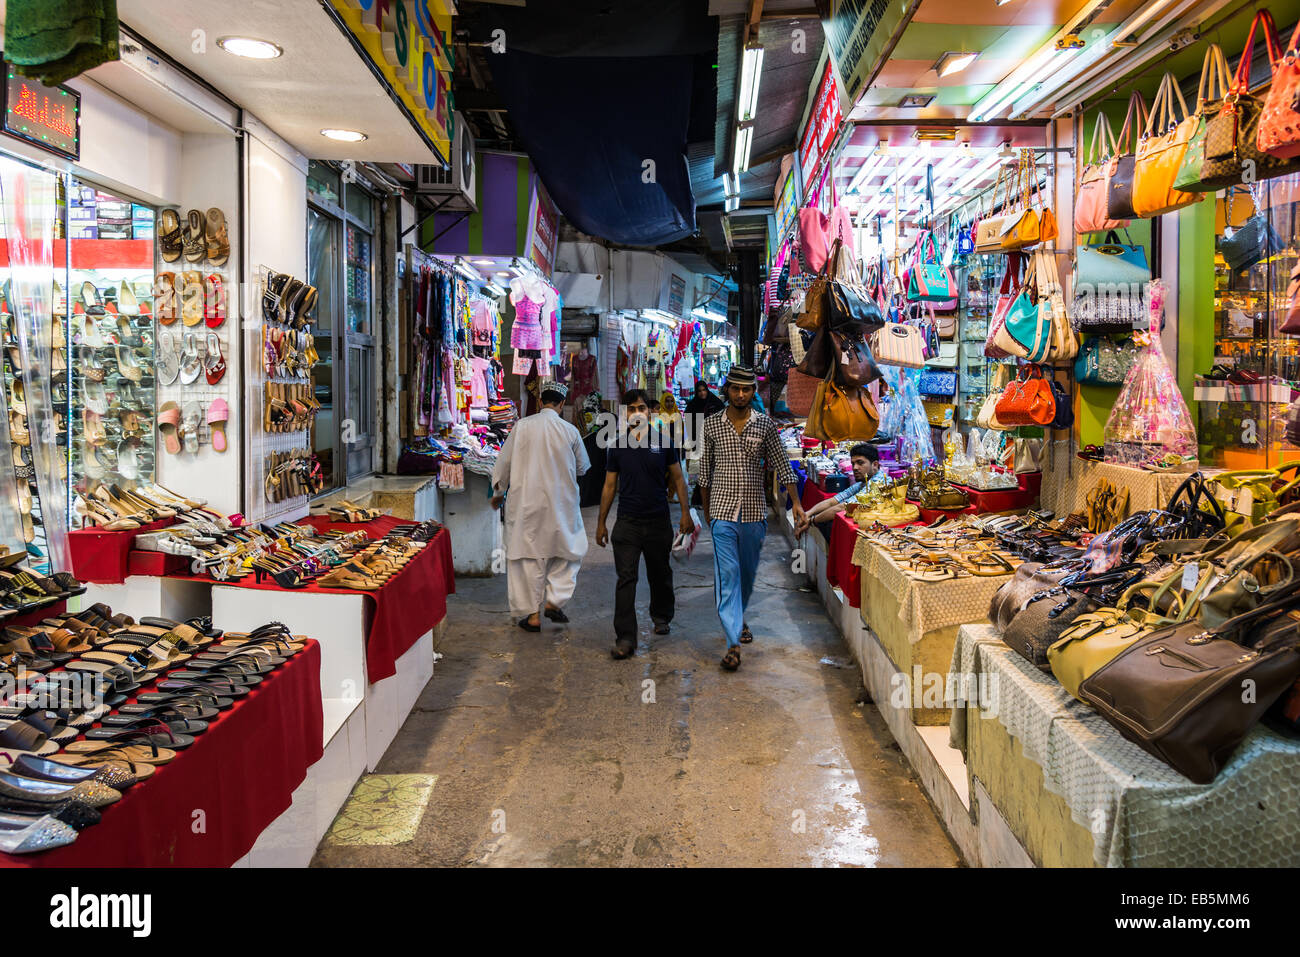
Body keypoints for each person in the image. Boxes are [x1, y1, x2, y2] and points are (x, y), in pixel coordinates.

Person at [699, 365, 805, 672]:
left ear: (752, 392)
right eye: (735, 389)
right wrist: (707, 513)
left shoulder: (765, 426)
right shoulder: (710, 426)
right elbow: (704, 473)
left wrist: (796, 504)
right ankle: (732, 641)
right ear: (727, 390)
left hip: (754, 512)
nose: (741, 394)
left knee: (745, 574)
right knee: (727, 574)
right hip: (721, 510)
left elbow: (783, 465)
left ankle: (740, 618)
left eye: (747, 390)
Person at [596, 389, 695, 660]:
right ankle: (625, 637)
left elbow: (678, 478)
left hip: (658, 519)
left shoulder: (664, 443)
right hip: (627, 522)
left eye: (641, 408)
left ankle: (662, 616)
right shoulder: (616, 446)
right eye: (631, 409)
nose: (637, 413)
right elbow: (609, 485)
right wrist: (601, 522)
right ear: (624, 413)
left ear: (649, 411)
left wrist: (685, 513)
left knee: (660, 573)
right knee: (626, 579)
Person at [491, 382, 591, 632]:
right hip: (561, 504)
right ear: (560, 404)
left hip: (526, 503)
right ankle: (555, 602)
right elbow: (583, 468)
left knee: (527, 557)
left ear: (540, 402)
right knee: (568, 552)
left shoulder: (521, 427)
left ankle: (532, 616)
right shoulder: (570, 431)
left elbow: (503, 463)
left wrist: (498, 491)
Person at [794, 444, 880, 535]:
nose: (855, 468)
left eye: (860, 463)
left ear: (875, 465)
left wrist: (811, 520)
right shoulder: (863, 482)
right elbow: (833, 501)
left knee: (830, 523)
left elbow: (842, 507)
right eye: (853, 463)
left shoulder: (877, 483)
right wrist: (807, 514)